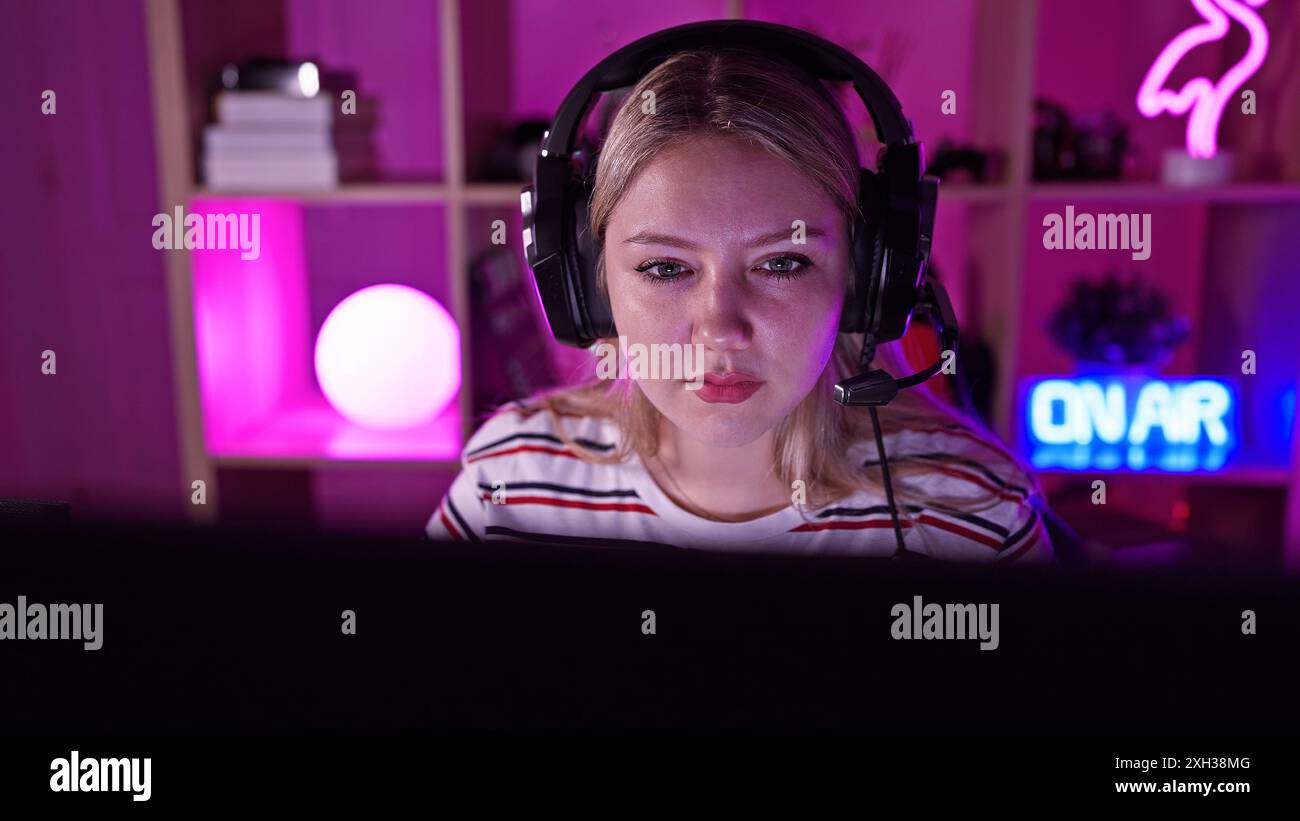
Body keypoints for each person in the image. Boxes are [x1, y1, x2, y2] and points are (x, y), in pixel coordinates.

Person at [427, 47, 1052, 562]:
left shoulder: (972, 517)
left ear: (865, 280)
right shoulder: (505, 489)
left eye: (782, 263)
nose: (720, 331)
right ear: (590, 287)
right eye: (664, 268)